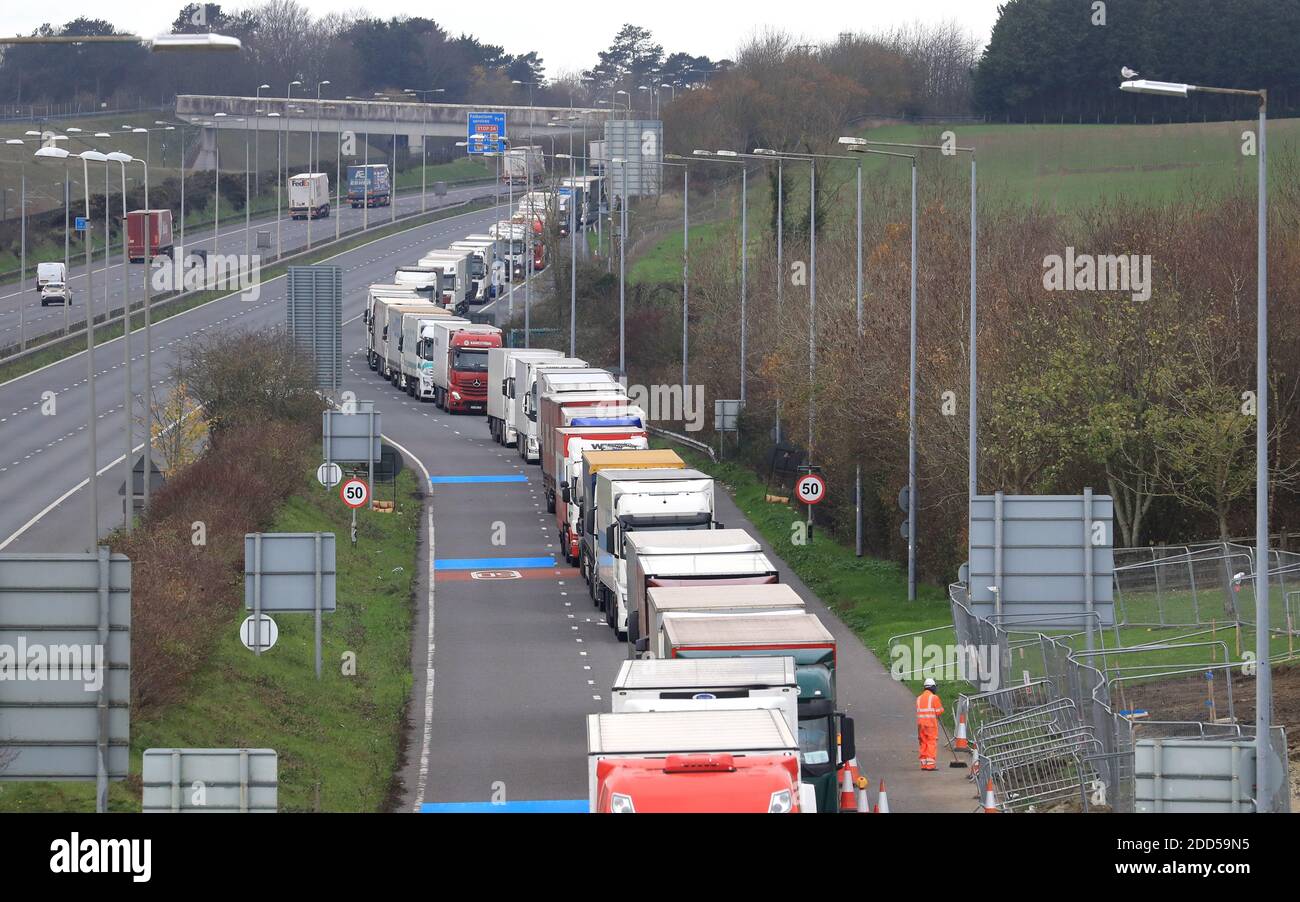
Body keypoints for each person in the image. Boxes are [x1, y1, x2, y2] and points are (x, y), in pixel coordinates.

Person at [916, 678, 944, 771]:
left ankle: (923, 764)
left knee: (923, 742)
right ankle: (931, 765)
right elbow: (939, 711)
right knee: (931, 743)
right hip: (931, 725)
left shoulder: (919, 698)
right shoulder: (934, 698)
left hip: (921, 725)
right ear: (933, 687)